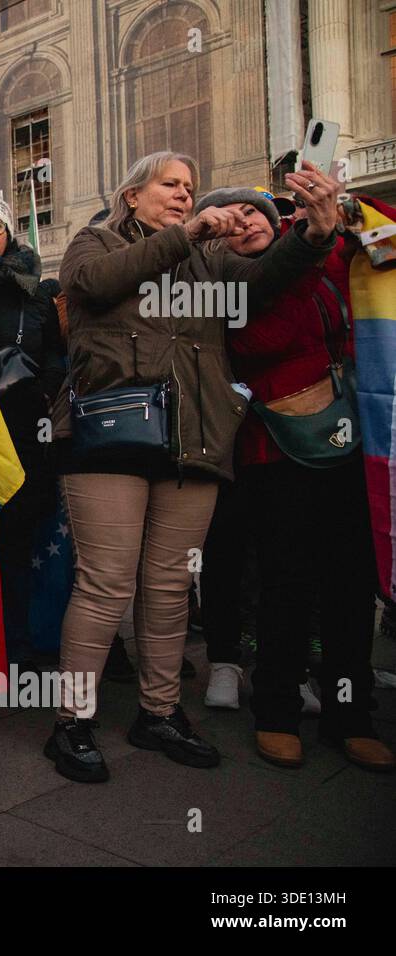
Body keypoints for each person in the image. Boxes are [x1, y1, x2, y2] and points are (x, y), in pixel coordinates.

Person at [45, 150, 341, 784]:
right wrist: (187, 235)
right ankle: (71, 721)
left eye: (191, 187)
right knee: (107, 584)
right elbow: (92, 287)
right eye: (170, 185)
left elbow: (263, 285)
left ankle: (159, 712)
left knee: (170, 586)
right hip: (110, 436)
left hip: (195, 440)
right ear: (132, 195)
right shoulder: (93, 240)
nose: (184, 194)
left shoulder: (210, 261)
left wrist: (314, 235)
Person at [195, 184, 394, 771]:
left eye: (251, 211)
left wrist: (346, 212)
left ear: (272, 215)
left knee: (351, 587)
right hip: (276, 452)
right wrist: (309, 249)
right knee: (287, 583)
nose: (244, 223)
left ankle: (350, 714)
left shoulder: (327, 249)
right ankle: (277, 712)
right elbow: (265, 340)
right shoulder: (227, 290)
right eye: (228, 221)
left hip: (352, 439)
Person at [0, 183, 63, 672]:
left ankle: (16, 643)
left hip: (26, 427)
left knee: (20, 538)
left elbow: (58, 353)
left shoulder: (38, 291)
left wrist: (46, 384)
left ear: (9, 232)